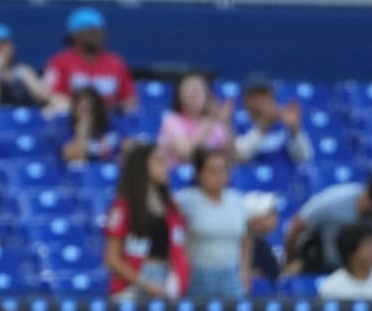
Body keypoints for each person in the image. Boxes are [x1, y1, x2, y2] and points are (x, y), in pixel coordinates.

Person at [104, 143, 189, 298]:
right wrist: (144, 284)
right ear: (142, 166)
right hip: (132, 284)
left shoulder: (171, 208)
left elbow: (178, 248)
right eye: (158, 161)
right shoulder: (123, 207)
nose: (165, 167)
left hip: (165, 280)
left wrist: (175, 280)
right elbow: (112, 258)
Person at [285, 174, 372, 275]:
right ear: (371, 199)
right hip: (320, 261)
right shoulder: (333, 202)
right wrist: (291, 259)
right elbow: (296, 228)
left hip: (362, 269)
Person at [173, 148, 250, 298]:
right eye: (211, 170)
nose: (217, 176)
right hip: (197, 277)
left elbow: (245, 239)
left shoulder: (236, 200)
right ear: (199, 173)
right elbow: (175, 238)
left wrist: (244, 271)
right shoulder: (185, 201)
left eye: (222, 170)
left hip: (231, 276)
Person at [43, 7, 136, 114]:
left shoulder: (116, 63)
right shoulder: (60, 62)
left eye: (101, 31)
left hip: (109, 119)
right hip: (72, 118)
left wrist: (117, 107)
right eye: (92, 31)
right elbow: (50, 96)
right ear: (75, 34)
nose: (98, 35)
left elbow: (129, 100)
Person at [0, 22, 57, 113]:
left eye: (8, 44)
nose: (7, 49)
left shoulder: (23, 70)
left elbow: (43, 96)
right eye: (0, 45)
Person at [233, 79, 311, 180]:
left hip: (286, 183)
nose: (260, 100)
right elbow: (240, 155)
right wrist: (263, 126)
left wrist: (294, 129)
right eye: (254, 95)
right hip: (250, 185)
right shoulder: (237, 122)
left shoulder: (284, 122)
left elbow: (304, 157)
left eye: (264, 94)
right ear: (245, 99)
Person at [156, 71, 232, 171]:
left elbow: (231, 156)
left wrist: (227, 123)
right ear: (179, 94)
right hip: (177, 176)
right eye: (189, 90)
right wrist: (211, 121)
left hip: (209, 176)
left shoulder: (214, 124)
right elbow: (186, 152)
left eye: (198, 90)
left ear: (207, 95)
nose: (194, 94)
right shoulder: (171, 120)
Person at [61, 87, 122, 165]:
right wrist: (82, 133)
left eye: (91, 109)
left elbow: (126, 149)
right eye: (83, 109)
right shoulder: (66, 128)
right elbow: (74, 156)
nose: (87, 114)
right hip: (82, 170)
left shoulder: (111, 125)